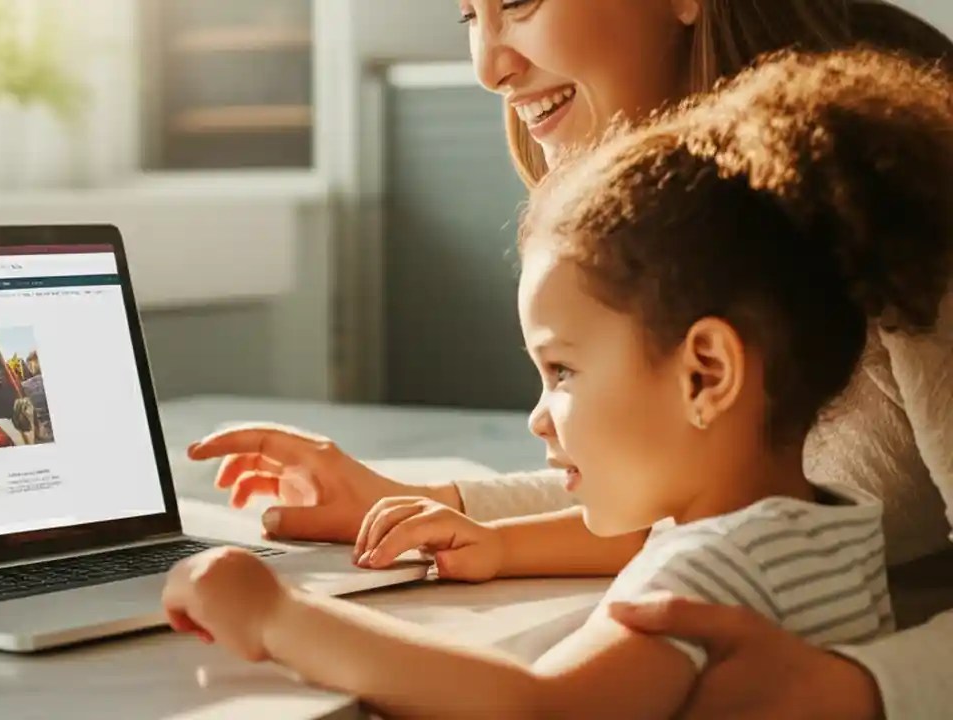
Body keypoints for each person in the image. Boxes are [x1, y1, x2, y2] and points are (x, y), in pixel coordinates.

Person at [187, 2, 953, 717]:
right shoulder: (821, 526)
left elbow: (539, 707)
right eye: (467, 14)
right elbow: (683, 483)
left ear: (709, 370)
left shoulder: (911, 201)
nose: (488, 69)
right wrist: (452, 508)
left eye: (519, 1)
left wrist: (276, 616)